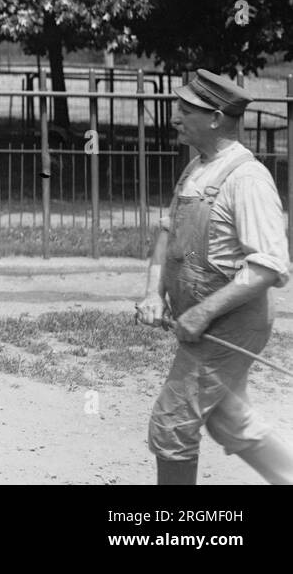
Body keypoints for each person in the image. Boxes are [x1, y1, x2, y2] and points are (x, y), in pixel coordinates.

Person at [135, 70, 293, 485]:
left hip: (231, 321)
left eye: (186, 110)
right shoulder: (196, 168)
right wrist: (153, 294)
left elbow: (269, 266)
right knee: (230, 422)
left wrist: (203, 313)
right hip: (201, 320)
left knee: (172, 424)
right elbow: (167, 231)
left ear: (216, 117)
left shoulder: (248, 179)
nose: (174, 117)